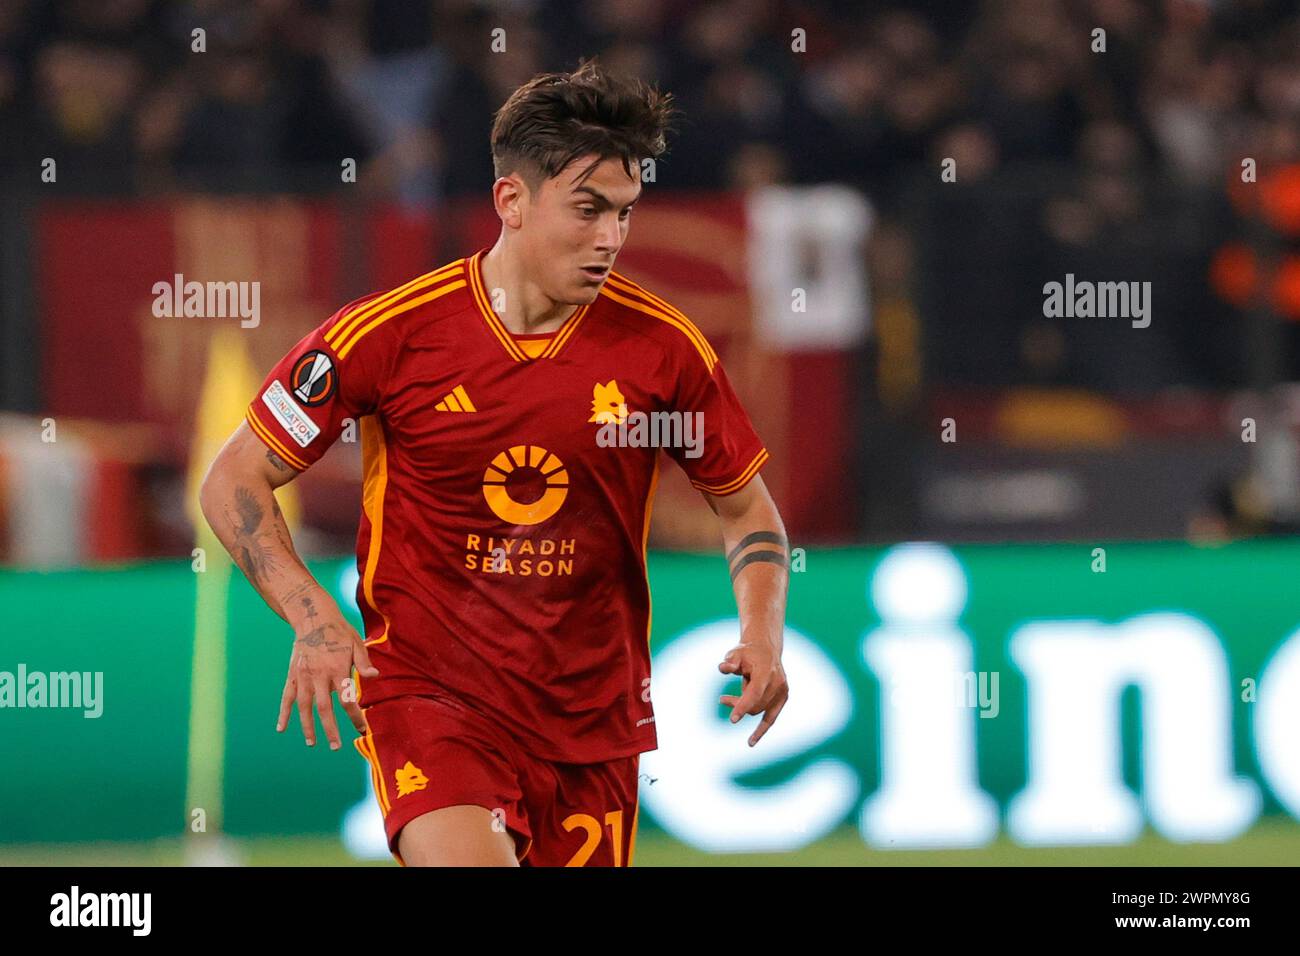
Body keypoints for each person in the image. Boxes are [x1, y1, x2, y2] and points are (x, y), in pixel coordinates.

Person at [199, 58, 789, 866]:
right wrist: (313, 617)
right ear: (511, 200)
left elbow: (745, 506)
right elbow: (234, 476)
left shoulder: (665, 350)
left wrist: (762, 632)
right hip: (430, 697)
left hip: (592, 718)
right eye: (587, 210)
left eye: (624, 213)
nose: (611, 238)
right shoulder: (390, 334)